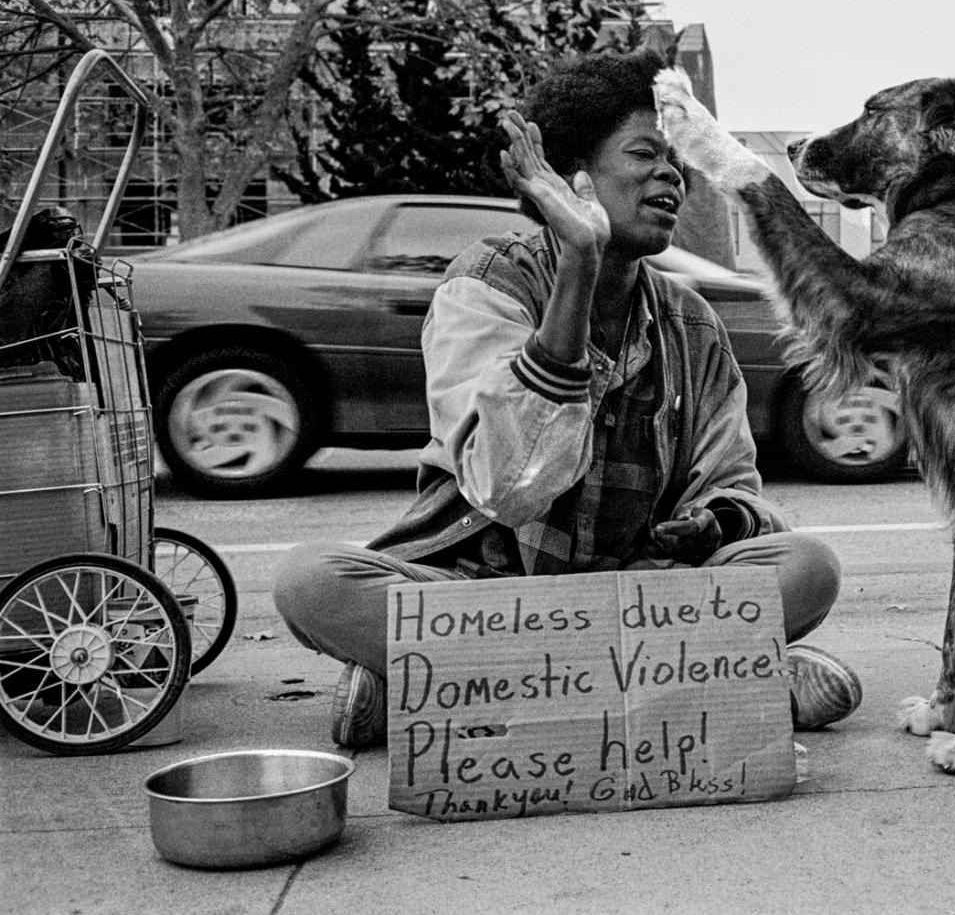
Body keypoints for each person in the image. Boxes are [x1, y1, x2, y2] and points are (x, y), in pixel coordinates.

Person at [272, 49, 860, 749]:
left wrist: (715, 523)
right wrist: (579, 260)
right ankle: (729, 676)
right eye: (645, 154)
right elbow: (512, 484)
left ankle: (429, 686)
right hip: (483, 596)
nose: (673, 175)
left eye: (677, 160)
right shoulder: (485, 286)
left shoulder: (692, 322)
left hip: (645, 597)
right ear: (569, 177)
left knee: (808, 566)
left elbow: (734, 482)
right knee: (310, 582)